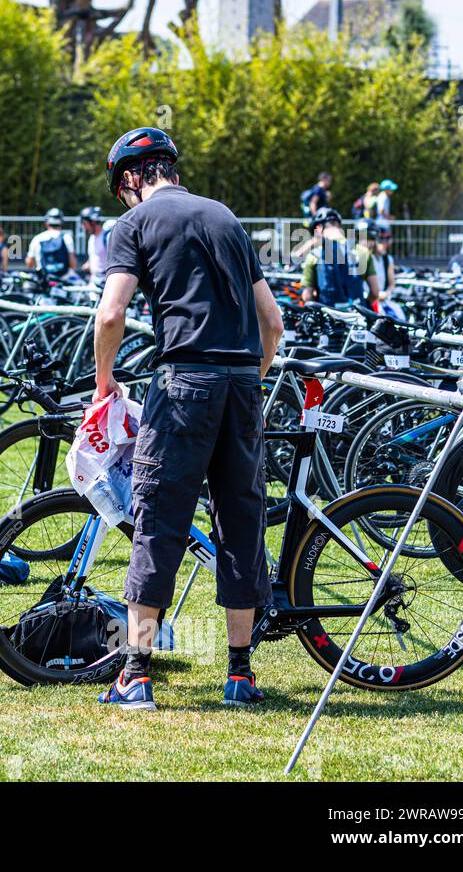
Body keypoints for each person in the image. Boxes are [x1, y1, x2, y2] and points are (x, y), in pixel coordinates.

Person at [92, 126, 284, 710]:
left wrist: (104, 384)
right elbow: (271, 322)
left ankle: (136, 672)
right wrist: (249, 376)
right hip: (241, 385)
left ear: (130, 179)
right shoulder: (226, 217)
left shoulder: (135, 224)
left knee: (160, 519)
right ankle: (240, 675)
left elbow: (111, 314)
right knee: (241, 522)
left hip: (183, 384)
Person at [299, 208, 377, 308]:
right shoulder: (363, 252)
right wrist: (363, 306)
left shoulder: (315, 255)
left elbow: (307, 296)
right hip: (357, 318)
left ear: (318, 228)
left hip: (328, 318)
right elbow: (375, 292)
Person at [25, 208, 77, 277]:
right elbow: (73, 264)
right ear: (61, 222)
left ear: (46, 223)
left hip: (44, 280)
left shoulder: (37, 238)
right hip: (63, 280)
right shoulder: (67, 238)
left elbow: (29, 264)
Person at [79, 206, 108, 284]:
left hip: (105, 281)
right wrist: (87, 265)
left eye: (84, 223)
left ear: (93, 222)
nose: (83, 227)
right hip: (94, 280)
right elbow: (95, 256)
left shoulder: (107, 237)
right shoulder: (92, 238)